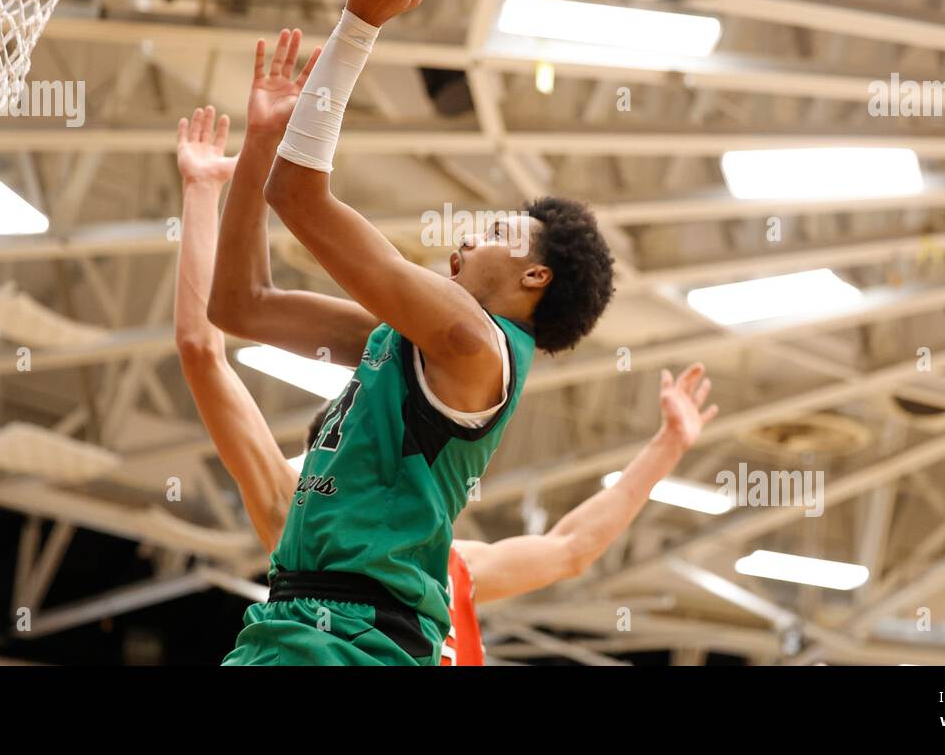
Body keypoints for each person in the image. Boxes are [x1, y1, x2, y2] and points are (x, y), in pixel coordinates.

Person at [175, 98, 715, 666]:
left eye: (495, 232)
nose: (466, 241)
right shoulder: (339, 538)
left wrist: (668, 446)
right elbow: (230, 319)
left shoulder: (447, 563)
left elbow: (571, 549)